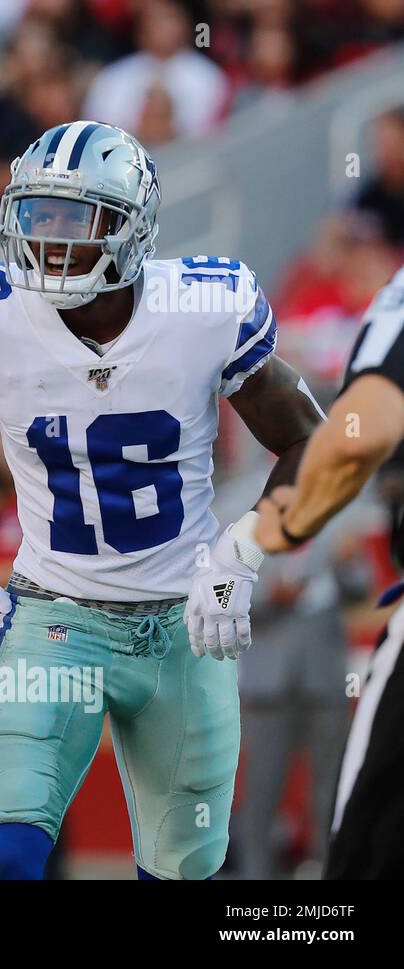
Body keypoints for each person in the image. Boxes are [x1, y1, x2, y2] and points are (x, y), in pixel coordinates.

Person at [0, 120, 323, 880]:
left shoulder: (202, 310)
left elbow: (309, 440)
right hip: (56, 614)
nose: (49, 241)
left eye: (74, 219)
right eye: (37, 215)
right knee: (9, 856)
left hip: (186, 622)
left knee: (180, 870)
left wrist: (240, 552)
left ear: (131, 228)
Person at [256, 262, 404, 878]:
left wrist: (293, 521)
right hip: (274, 678)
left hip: (320, 671)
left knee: (369, 835)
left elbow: (354, 437)